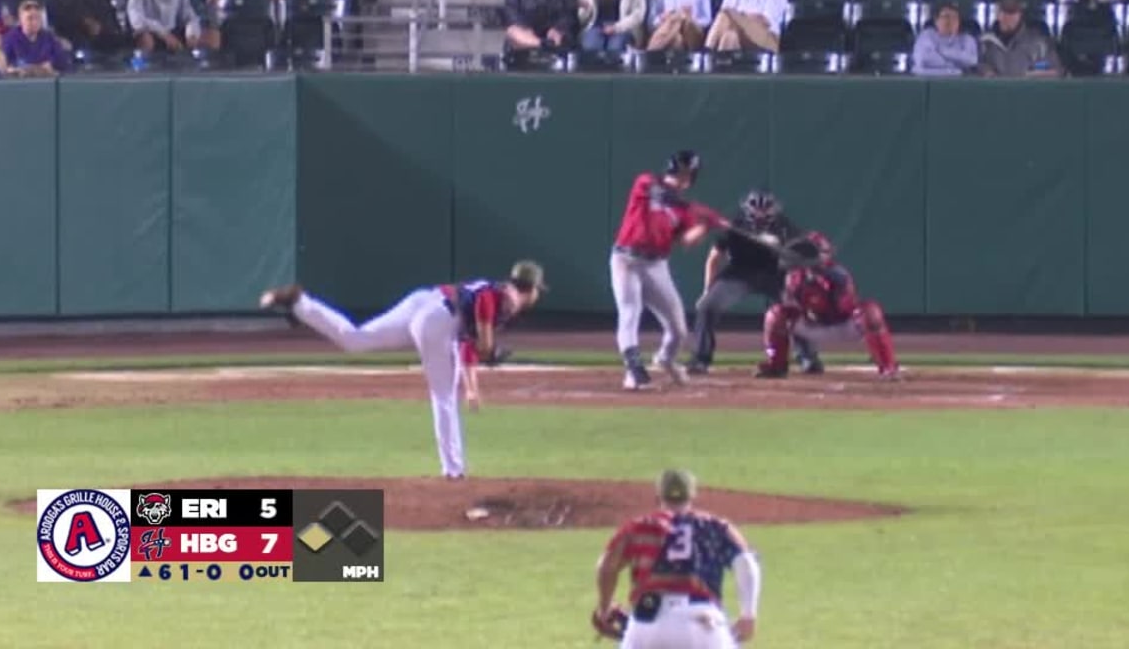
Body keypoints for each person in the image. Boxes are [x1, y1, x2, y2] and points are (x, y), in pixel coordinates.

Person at [257, 261, 548, 480]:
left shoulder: (496, 291)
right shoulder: (505, 298)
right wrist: (490, 350)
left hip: (426, 301)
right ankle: (454, 471)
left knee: (356, 339)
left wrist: (473, 382)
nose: (537, 295)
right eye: (537, 290)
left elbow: (470, 344)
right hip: (438, 318)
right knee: (443, 398)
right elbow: (482, 329)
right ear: (531, 288)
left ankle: (300, 304)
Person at [593, 469, 760, 649]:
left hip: (648, 623)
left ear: (658, 495)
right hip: (702, 622)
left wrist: (604, 607)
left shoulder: (639, 526)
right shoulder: (715, 526)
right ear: (692, 495)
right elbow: (746, 562)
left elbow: (607, 566)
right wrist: (748, 615)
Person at [610, 149, 725, 391]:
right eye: (681, 171)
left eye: (687, 173)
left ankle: (665, 359)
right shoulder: (646, 182)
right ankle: (634, 372)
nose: (683, 177)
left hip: (656, 265)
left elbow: (687, 241)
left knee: (678, 328)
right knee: (630, 311)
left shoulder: (684, 211)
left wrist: (707, 225)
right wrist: (699, 210)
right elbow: (662, 194)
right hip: (626, 260)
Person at [689, 189, 822, 377]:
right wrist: (707, 290)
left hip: (773, 273)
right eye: (756, 210)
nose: (761, 215)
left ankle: (808, 356)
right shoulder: (735, 225)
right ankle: (701, 359)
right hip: (738, 274)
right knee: (706, 307)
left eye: (765, 210)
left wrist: (783, 252)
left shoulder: (783, 227)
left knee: (796, 307)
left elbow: (801, 256)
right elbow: (713, 258)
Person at [758, 233, 900, 380]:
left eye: (822, 253)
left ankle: (888, 366)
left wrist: (817, 270)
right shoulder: (794, 278)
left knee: (871, 311)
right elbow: (792, 313)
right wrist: (805, 354)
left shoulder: (838, 273)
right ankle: (775, 363)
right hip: (814, 326)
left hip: (845, 325)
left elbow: (842, 302)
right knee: (774, 315)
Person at [1, 0, 72, 76]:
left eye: (37, 18)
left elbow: (62, 63)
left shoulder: (49, 38)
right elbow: (5, 66)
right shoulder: (10, 39)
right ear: (21, 19)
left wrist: (50, 65)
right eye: (30, 18)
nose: (34, 22)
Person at [910, 2, 979, 75]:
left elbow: (972, 60)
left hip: (958, 82)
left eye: (955, 17)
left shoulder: (967, 39)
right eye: (946, 17)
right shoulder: (926, 36)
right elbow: (924, 59)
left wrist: (942, 51)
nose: (951, 21)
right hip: (928, 79)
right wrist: (955, 66)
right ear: (936, 20)